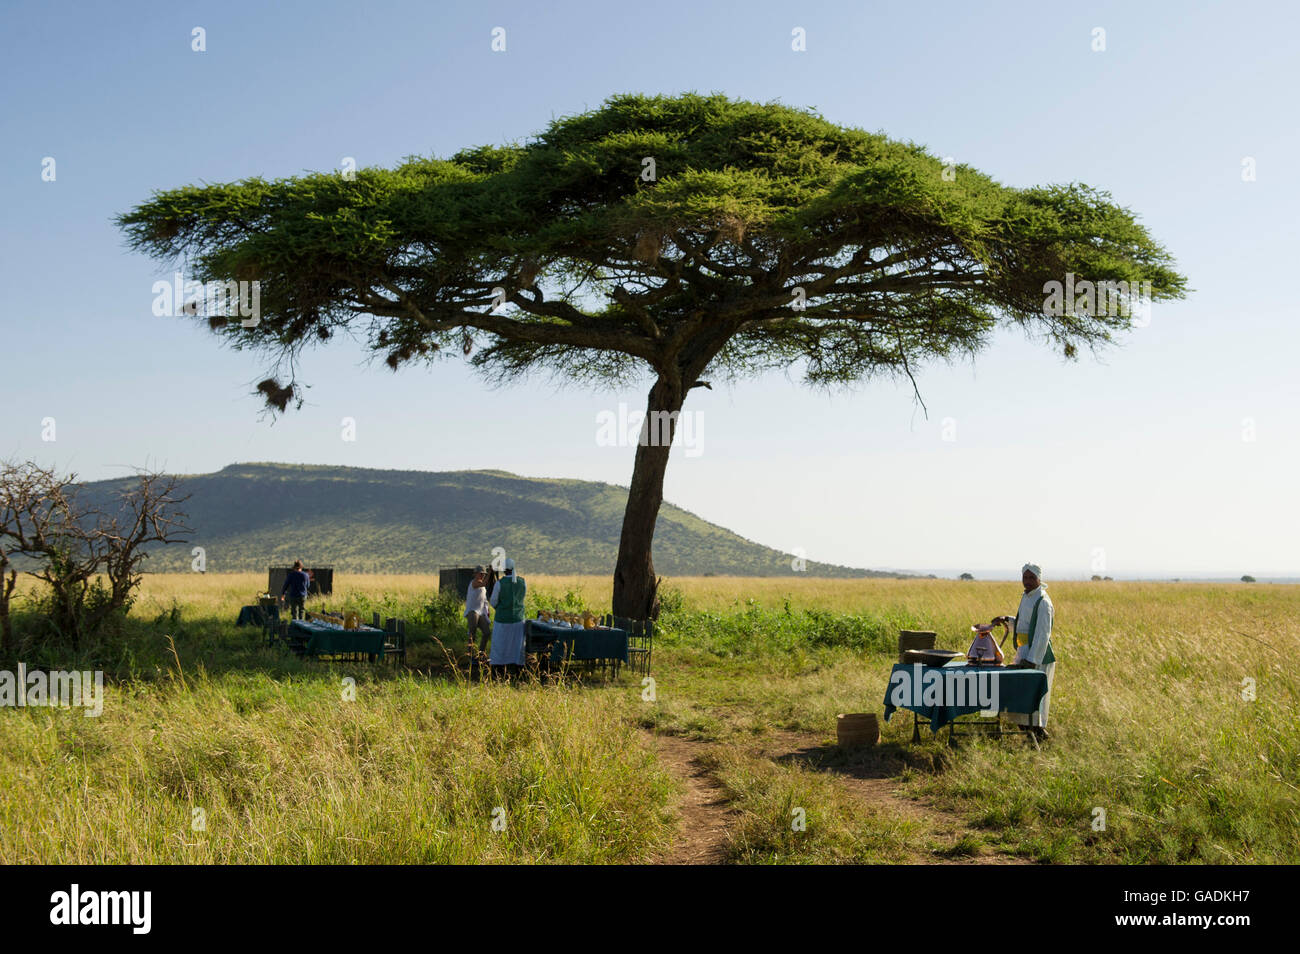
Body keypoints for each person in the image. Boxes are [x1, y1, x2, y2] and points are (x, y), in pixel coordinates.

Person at [992, 562, 1056, 739]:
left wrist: (1032, 660)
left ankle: (1040, 739)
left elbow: (1042, 634)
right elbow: (1025, 625)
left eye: (1031, 578)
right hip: (1023, 652)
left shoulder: (1043, 601)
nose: (1027, 581)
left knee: (1034, 702)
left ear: (1039, 579)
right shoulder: (1027, 597)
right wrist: (1006, 619)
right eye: (1025, 577)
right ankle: (1031, 738)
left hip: (1038, 658)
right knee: (1019, 700)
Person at [488, 558, 526, 678]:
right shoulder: (522, 582)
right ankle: (518, 670)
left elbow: (493, 601)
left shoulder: (500, 583)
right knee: (517, 645)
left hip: (502, 620)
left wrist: (501, 608)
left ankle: (498, 671)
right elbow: (522, 598)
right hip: (518, 620)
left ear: (504, 570)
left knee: (500, 645)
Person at [465, 565, 492, 678]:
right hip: (472, 610)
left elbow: (484, 599)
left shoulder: (482, 585)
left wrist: (488, 609)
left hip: (481, 611)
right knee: (473, 631)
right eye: (480, 573)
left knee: (486, 632)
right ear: (475, 574)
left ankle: (481, 653)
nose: (481, 575)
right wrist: (490, 572)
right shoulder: (474, 583)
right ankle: (470, 655)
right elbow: (484, 583)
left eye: (483, 574)